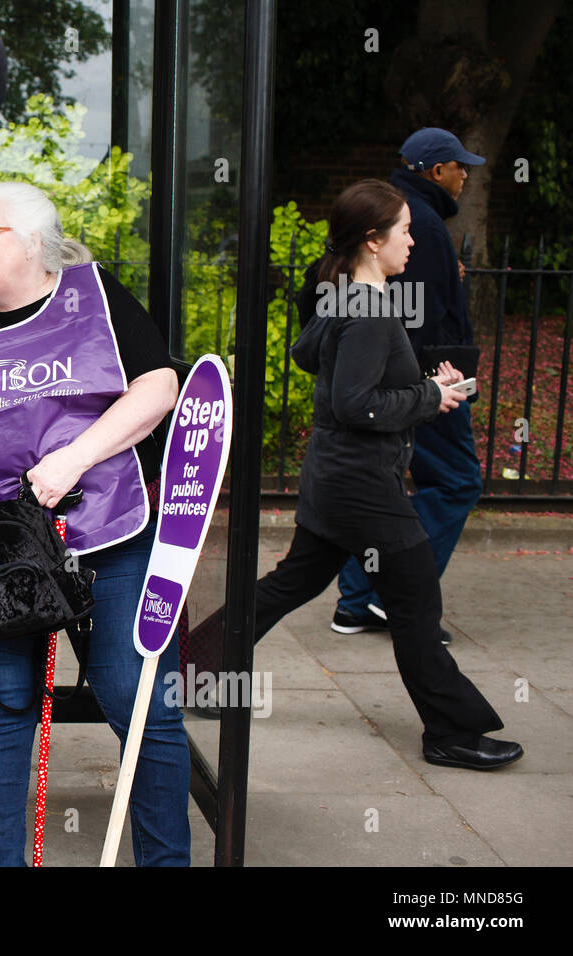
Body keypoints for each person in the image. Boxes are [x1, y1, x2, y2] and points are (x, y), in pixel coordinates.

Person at [0, 181, 189, 866]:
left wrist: (76, 456)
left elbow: (159, 386)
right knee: (4, 704)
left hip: (105, 530)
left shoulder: (97, 297)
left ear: (32, 239)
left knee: (138, 699)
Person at [191, 179, 522, 772]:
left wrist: (427, 385)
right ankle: (452, 731)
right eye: (404, 231)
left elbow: (332, 367)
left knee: (291, 583)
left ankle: (193, 670)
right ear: (373, 241)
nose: (414, 242)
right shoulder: (368, 308)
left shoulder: (344, 296)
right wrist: (428, 396)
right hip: (362, 486)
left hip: (336, 478)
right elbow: (356, 404)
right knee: (416, 601)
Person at [332, 129, 486, 644]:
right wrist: (428, 391)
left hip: (416, 381)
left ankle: (359, 598)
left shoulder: (409, 216)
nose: (465, 175)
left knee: (391, 493)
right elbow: (410, 317)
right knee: (456, 482)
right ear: (436, 169)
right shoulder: (420, 224)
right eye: (459, 166)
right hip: (430, 382)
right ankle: (382, 596)